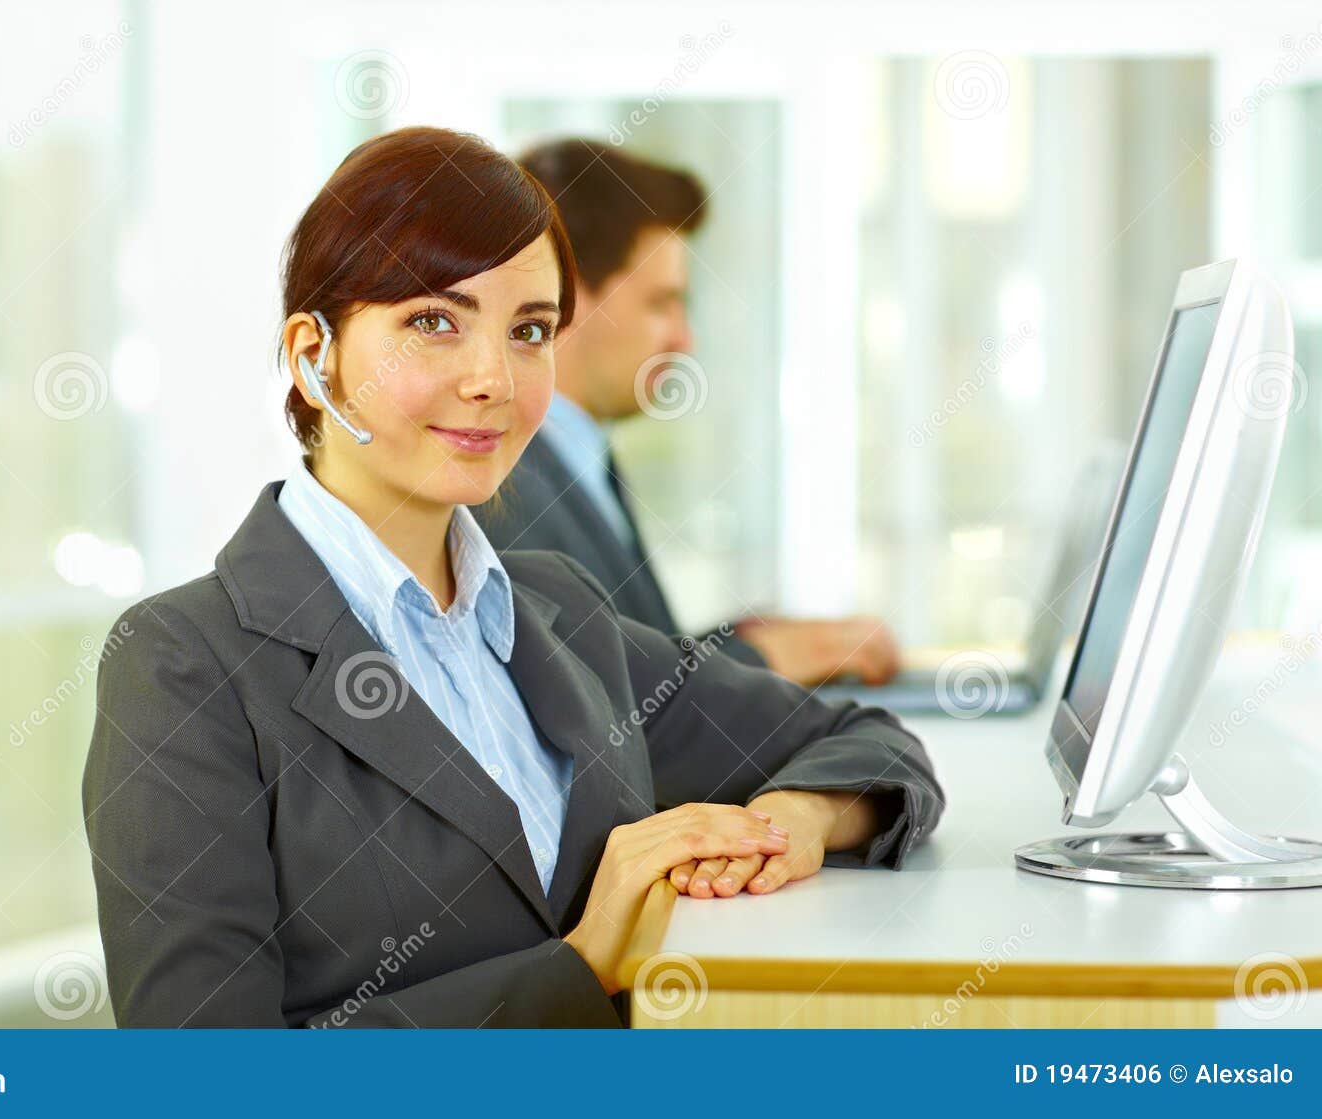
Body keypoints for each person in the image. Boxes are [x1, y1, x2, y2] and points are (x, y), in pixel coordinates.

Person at [82, 126, 944, 1029]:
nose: (493, 376)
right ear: (312, 356)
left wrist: (794, 823)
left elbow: (869, 743)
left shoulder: (556, 610)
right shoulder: (184, 664)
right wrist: (580, 962)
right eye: (432, 322)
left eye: (529, 330)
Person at [475, 138, 900, 687]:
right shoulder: (502, 479)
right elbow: (594, 697)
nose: (684, 338)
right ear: (563, 298)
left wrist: (749, 641)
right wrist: (764, 663)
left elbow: (625, 646)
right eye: (661, 303)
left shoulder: (573, 454)